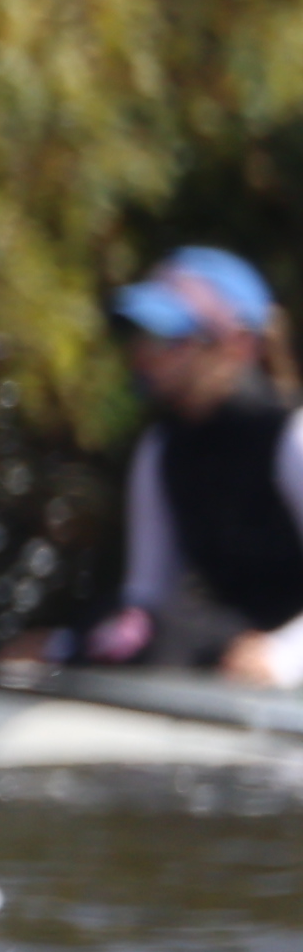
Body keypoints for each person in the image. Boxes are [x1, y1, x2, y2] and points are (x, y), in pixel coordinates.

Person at [49, 248, 303, 686]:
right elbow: (146, 598)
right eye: (138, 336)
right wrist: (64, 647)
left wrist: (282, 659)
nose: (144, 354)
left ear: (238, 347)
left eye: (169, 338)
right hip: (224, 661)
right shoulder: (160, 447)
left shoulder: (291, 436)